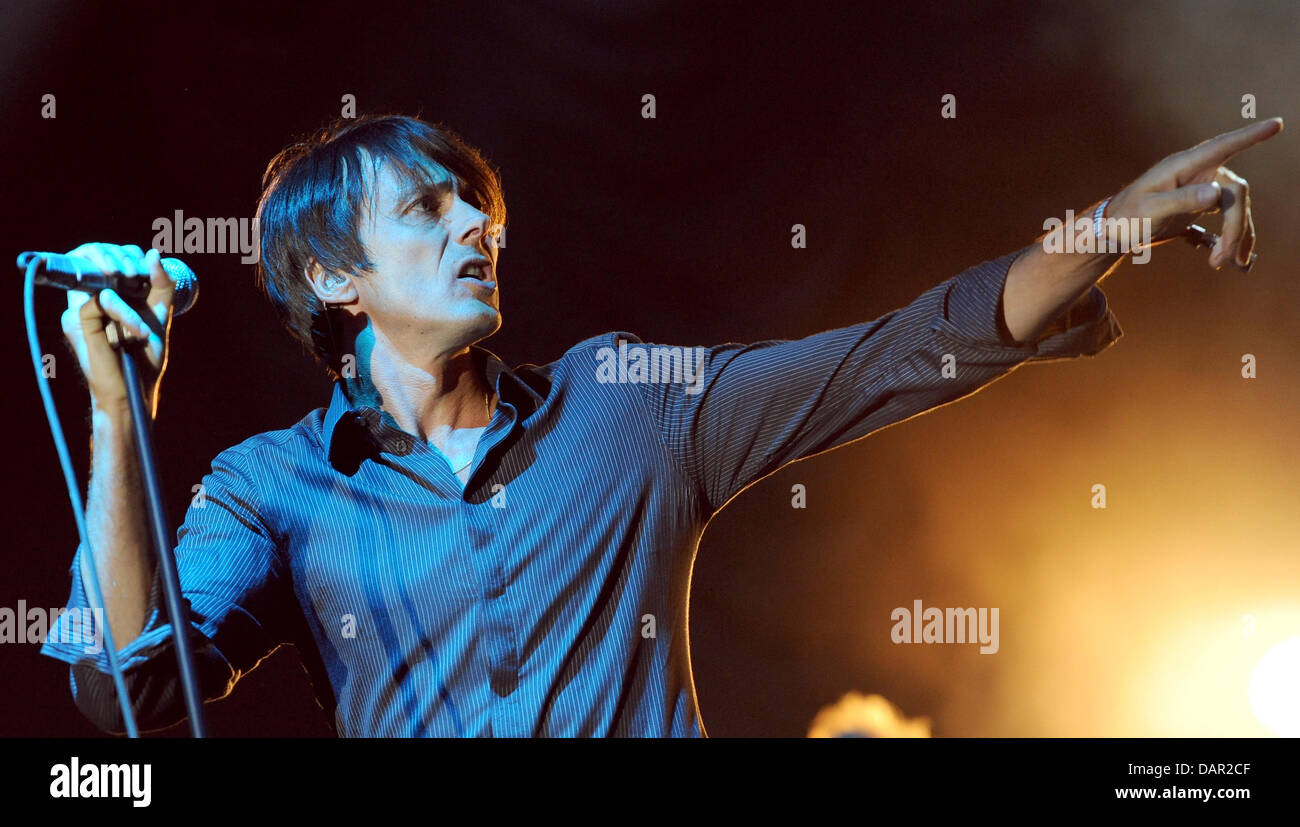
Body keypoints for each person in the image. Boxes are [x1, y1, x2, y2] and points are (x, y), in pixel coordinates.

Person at [40, 114, 1282, 736]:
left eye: (479, 207)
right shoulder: (270, 486)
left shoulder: (631, 401)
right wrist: (113, 413)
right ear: (332, 278)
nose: (477, 226)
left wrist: (1110, 223)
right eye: (427, 208)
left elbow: (902, 348)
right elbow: (133, 699)